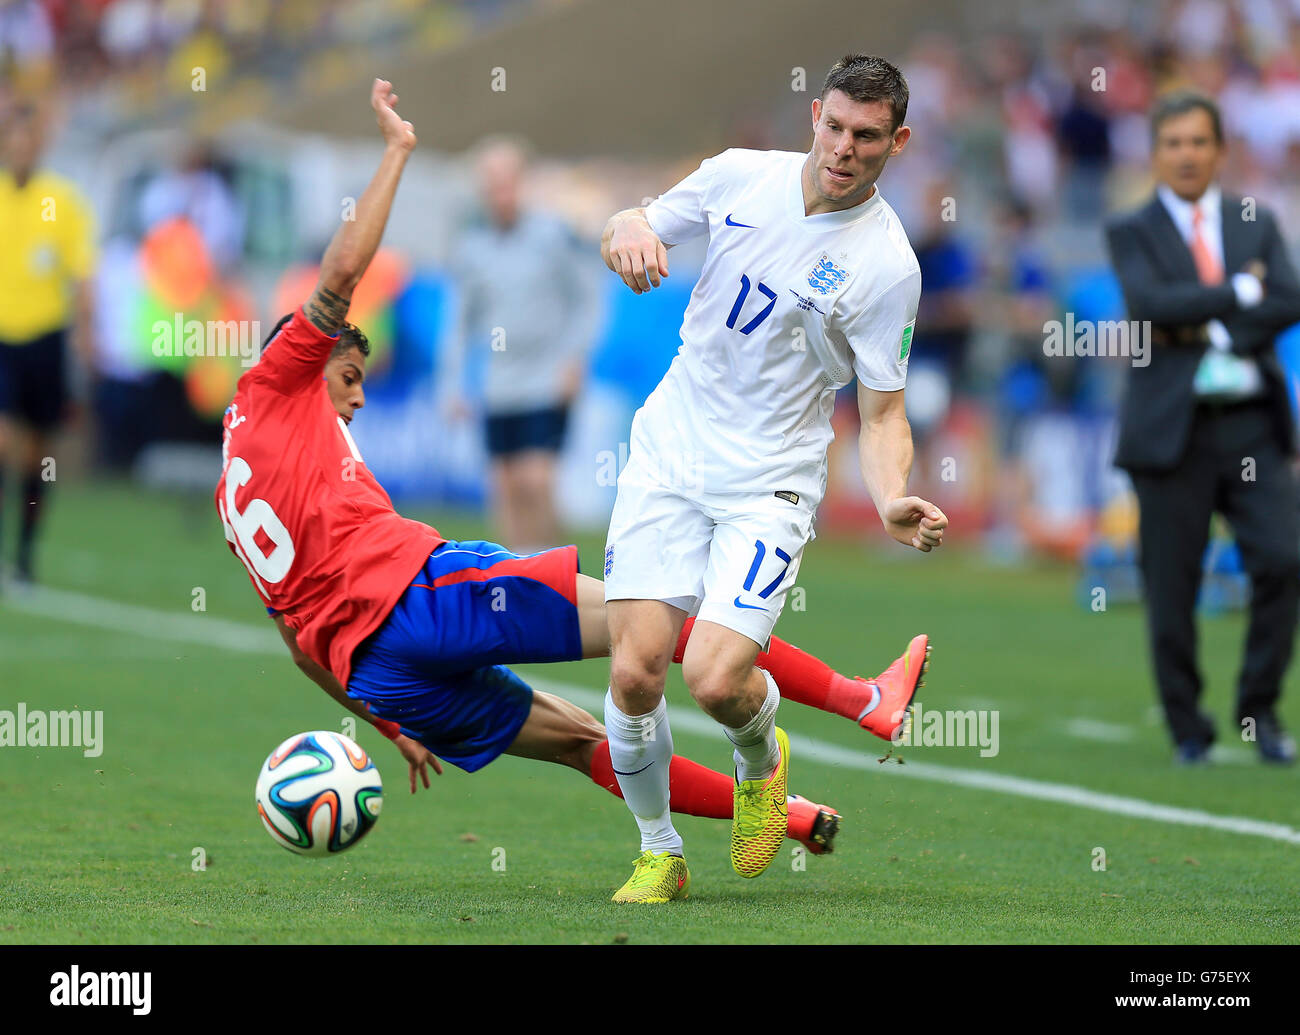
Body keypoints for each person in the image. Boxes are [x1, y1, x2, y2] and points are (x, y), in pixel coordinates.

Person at [217, 79, 929, 879]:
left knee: (595, 722)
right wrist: (396, 153)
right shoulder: (278, 382)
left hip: (376, 672)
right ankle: (854, 704)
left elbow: (299, 645)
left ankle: (781, 811)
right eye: (348, 375)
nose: (357, 397)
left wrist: (380, 719)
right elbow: (341, 272)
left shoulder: (236, 482)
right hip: (423, 595)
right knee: (645, 634)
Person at [598, 53, 947, 903]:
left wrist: (889, 494)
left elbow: (882, 413)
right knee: (635, 672)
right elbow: (630, 220)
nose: (843, 149)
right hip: (670, 453)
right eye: (834, 127)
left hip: (771, 479)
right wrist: (631, 225)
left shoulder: (888, 266)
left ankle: (764, 760)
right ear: (814, 118)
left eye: (867, 137)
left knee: (715, 677)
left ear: (896, 143)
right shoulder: (737, 178)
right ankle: (658, 850)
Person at [1105, 90, 1300, 766]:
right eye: (1174, 142)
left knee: (1285, 558)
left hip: (1251, 424)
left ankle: (1260, 712)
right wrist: (1240, 293)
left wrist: (1207, 321)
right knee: (1172, 586)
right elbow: (1148, 303)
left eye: (1199, 141)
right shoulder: (1130, 229)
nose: (1187, 154)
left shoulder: (1255, 220)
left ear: (1220, 150)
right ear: (1156, 153)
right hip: (1170, 434)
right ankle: (1189, 726)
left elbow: (1291, 297)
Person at [441, 136, 601, 552]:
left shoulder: (553, 236)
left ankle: (559, 577)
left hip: (545, 378)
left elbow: (587, 298)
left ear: (522, 183)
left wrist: (574, 359)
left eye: (507, 182)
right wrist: (452, 384)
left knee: (537, 479)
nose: (500, 193)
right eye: (491, 184)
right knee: (505, 488)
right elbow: (460, 321)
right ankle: (519, 580)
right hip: (498, 384)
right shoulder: (472, 248)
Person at [0, 100, 96, 587]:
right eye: (12, 140)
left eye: (28, 140)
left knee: (38, 455)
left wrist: (85, 333)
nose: (19, 149)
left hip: (44, 338)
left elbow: (80, 272)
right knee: (2, 439)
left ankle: (24, 557)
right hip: (2, 339)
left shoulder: (59, 200)